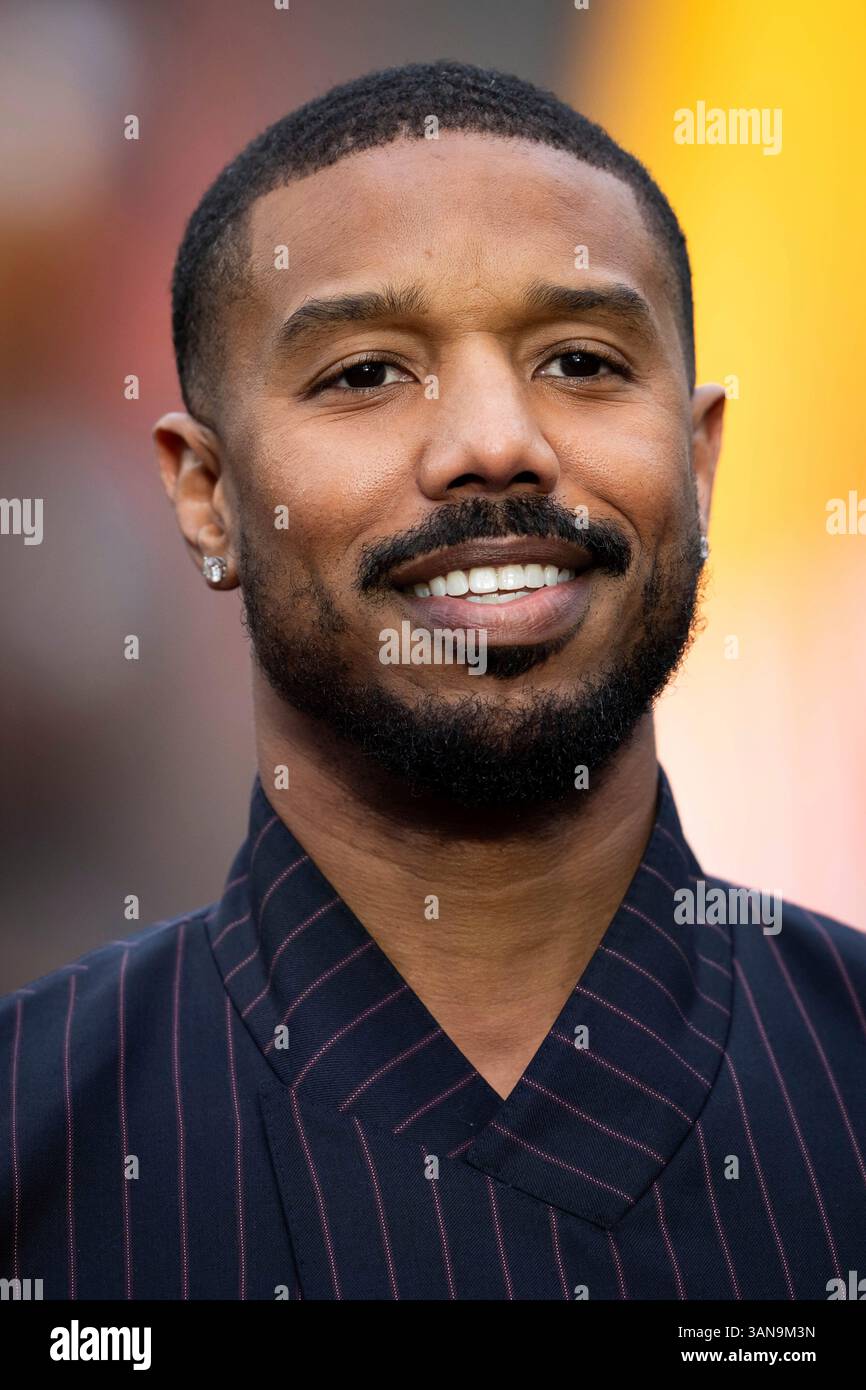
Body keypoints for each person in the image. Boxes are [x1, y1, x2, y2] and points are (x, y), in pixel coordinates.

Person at [2, 60, 863, 1302]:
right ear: (207, 499)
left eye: (579, 360)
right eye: (364, 373)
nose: (492, 444)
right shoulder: (35, 1145)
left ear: (698, 461)